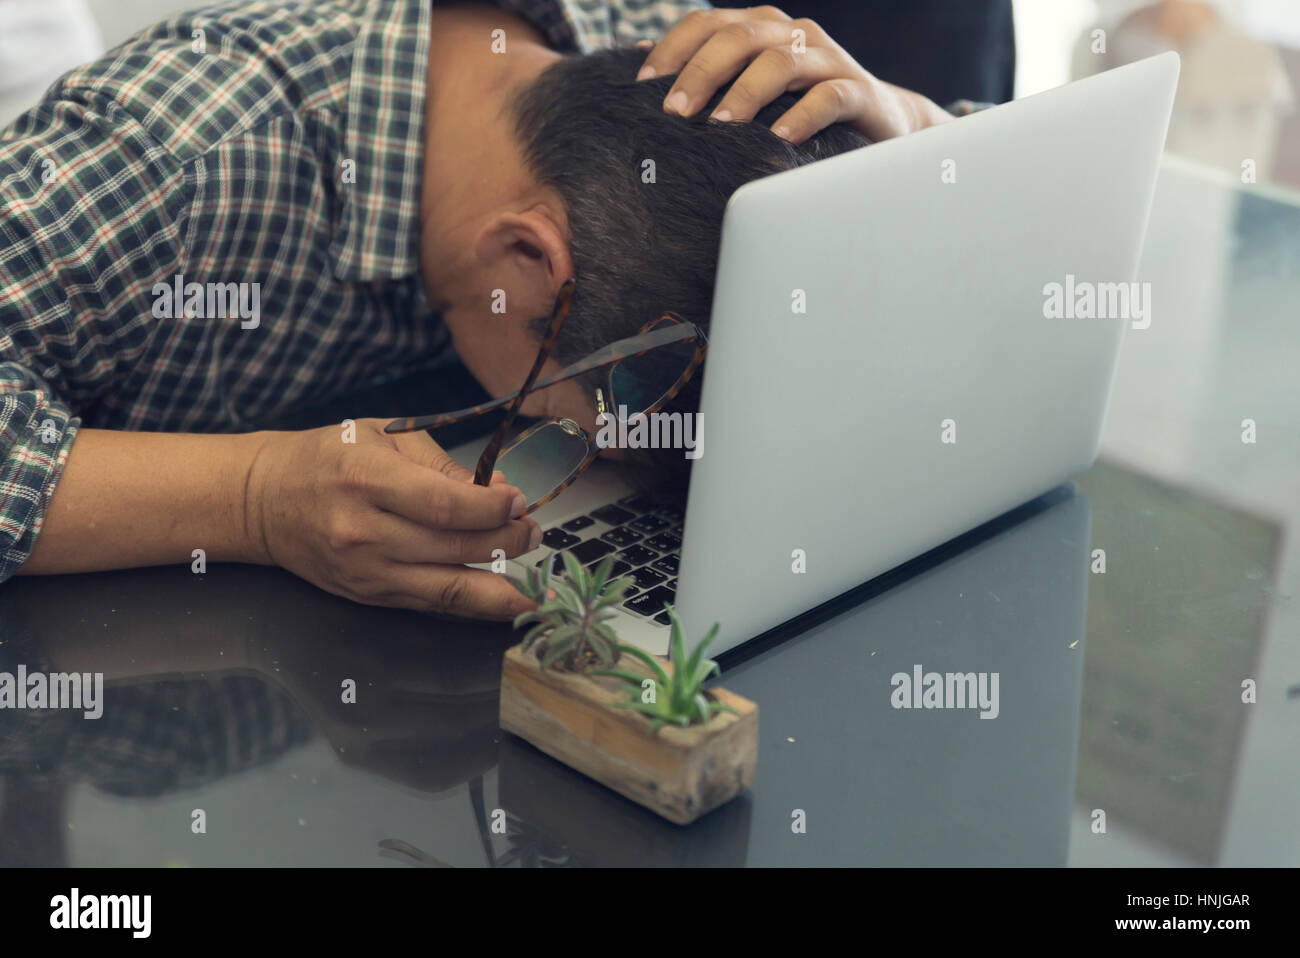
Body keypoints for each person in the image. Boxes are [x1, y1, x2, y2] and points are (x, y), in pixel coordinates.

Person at [0, 1, 958, 619]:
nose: (575, 470)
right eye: (577, 438)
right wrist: (254, 497)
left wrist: (915, 135)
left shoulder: (695, 56)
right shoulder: (172, 155)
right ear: (523, 259)